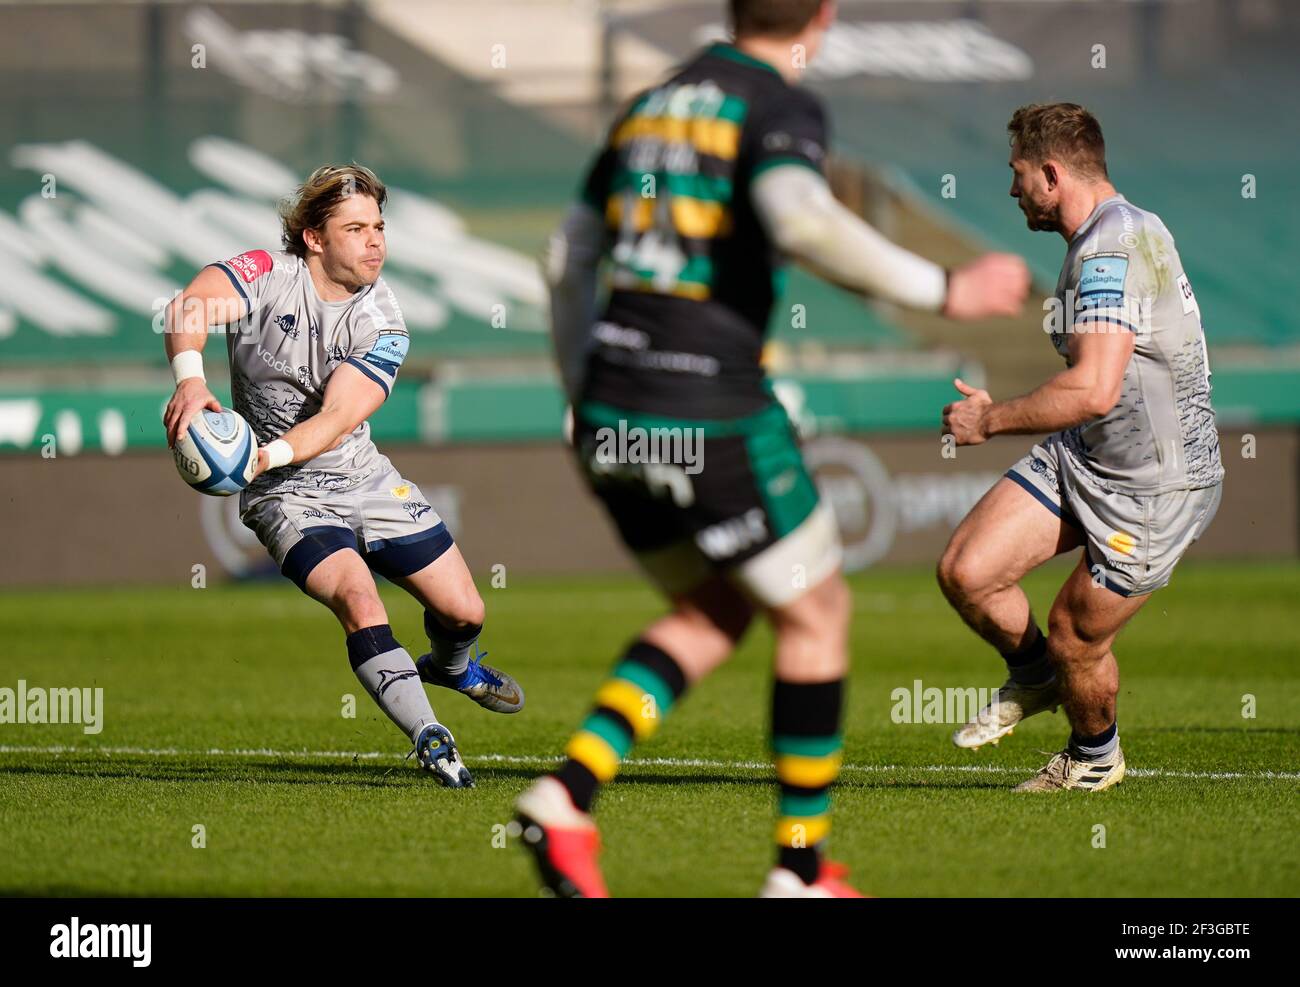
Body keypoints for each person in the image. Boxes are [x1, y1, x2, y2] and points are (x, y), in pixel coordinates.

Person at [516, 0, 1030, 896]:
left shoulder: (650, 106)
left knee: (714, 611)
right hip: (705, 402)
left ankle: (564, 798)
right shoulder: (775, 103)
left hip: (612, 403)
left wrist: (581, 394)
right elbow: (798, 218)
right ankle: (798, 870)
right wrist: (942, 288)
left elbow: (567, 258)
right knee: (818, 612)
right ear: (822, 16)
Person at [162, 164, 524, 788]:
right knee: (359, 600)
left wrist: (259, 455)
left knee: (465, 611)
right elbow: (189, 305)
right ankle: (428, 733)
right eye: (356, 227)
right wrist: (191, 381)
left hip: (363, 479)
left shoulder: (384, 319)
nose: (375, 240)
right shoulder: (266, 276)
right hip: (288, 497)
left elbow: (335, 418)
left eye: (379, 226)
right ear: (313, 236)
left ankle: (453, 667)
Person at [938, 103, 1223, 791]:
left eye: (1017, 175)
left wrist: (990, 419)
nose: (1012, 191)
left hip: (1155, 487)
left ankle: (1094, 756)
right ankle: (1034, 678)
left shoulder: (1108, 250)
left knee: (1074, 633)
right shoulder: (1113, 231)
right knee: (967, 571)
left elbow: (1093, 388)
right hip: (1090, 454)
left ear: (1051, 173)